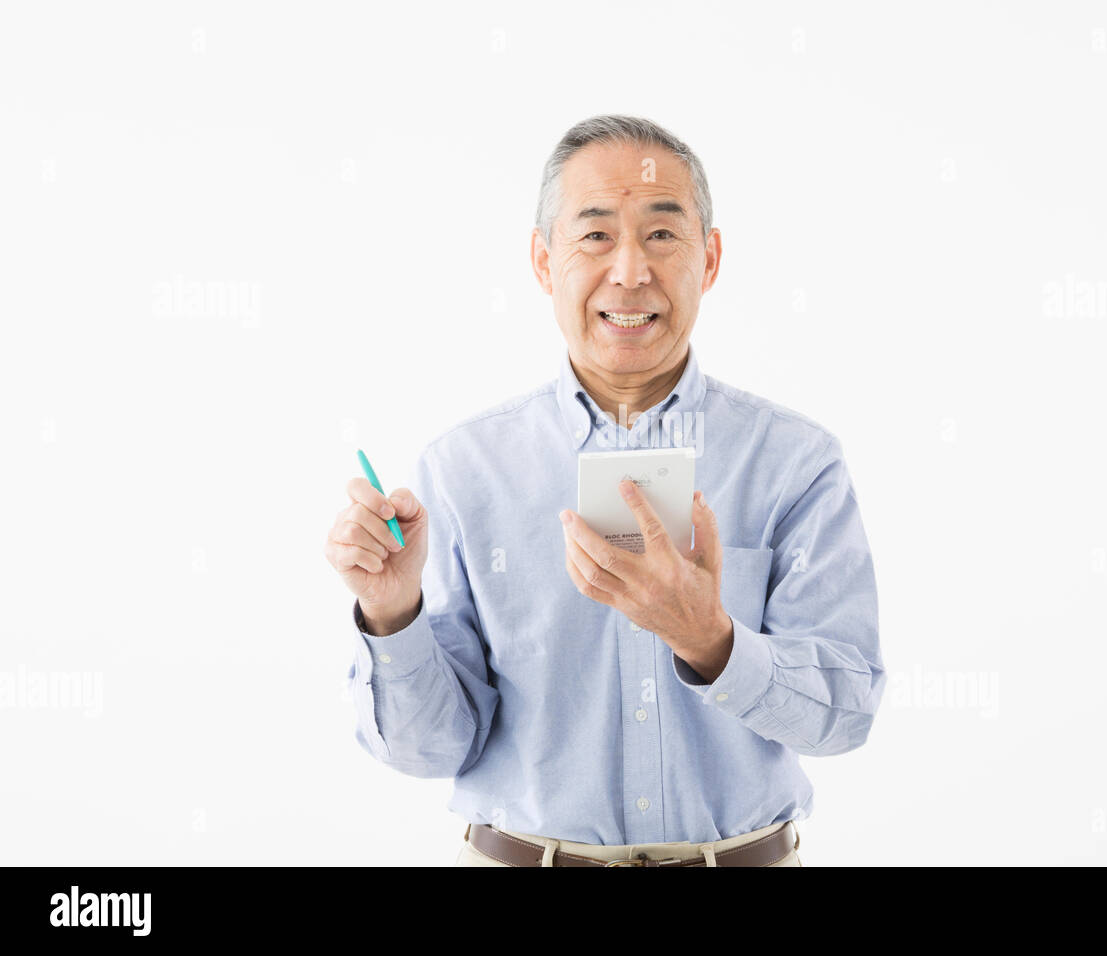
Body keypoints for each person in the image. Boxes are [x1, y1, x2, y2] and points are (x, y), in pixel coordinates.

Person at [323, 115, 886, 867]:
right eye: (594, 236)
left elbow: (846, 716)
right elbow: (431, 750)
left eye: (661, 235)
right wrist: (392, 613)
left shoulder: (794, 462)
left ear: (709, 258)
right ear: (542, 259)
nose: (629, 272)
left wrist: (711, 642)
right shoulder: (465, 468)